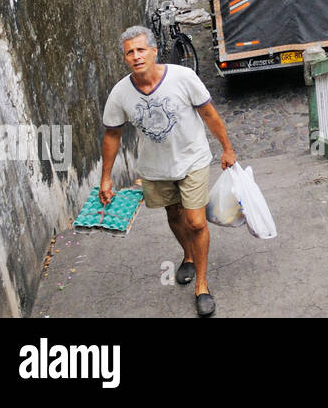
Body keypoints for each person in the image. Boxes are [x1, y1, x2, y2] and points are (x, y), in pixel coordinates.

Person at [100, 26, 237, 317]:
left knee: (196, 222)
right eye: (129, 52)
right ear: (125, 58)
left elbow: (209, 114)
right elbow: (112, 134)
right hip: (155, 169)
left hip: (192, 160)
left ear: (153, 51)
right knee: (174, 215)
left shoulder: (182, 77)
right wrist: (106, 177)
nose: (136, 57)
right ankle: (188, 255)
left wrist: (226, 148)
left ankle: (202, 284)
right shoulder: (121, 93)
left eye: (140, 50)